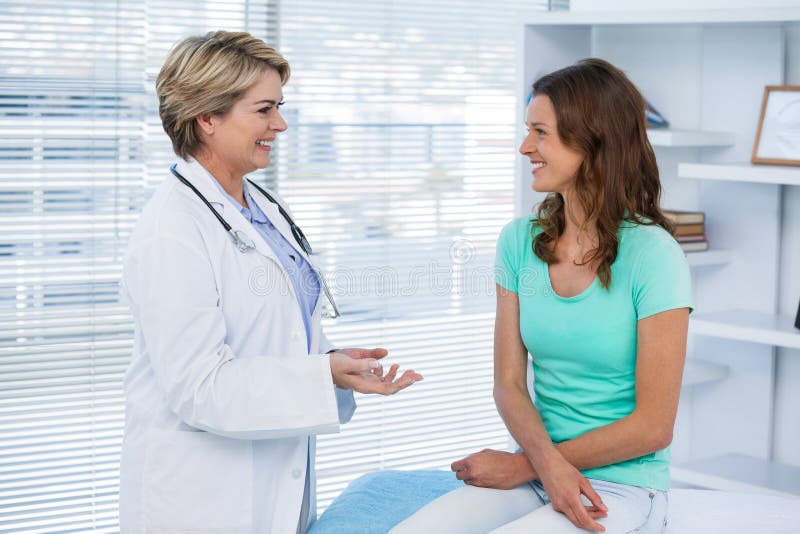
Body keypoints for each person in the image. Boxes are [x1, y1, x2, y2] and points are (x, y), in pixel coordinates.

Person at [118, 30, 422, 534]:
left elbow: (276, 333)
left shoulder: (260, 209)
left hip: (274, 477)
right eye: (264, 110)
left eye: (279, 108)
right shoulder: (170, 231)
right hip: (203, 500)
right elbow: (200, 387)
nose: (279, 125)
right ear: (208, 117)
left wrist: (331, 364)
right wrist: (318, 377)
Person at [391, 58, 691, 533]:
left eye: (540, 133)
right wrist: (541, 467)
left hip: (620, 486)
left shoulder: (654, 256)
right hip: (535, 470)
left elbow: (654, 426)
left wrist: (527, 465)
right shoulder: (518, 242)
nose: (525, 146)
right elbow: (508, 383)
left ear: (591, 139)